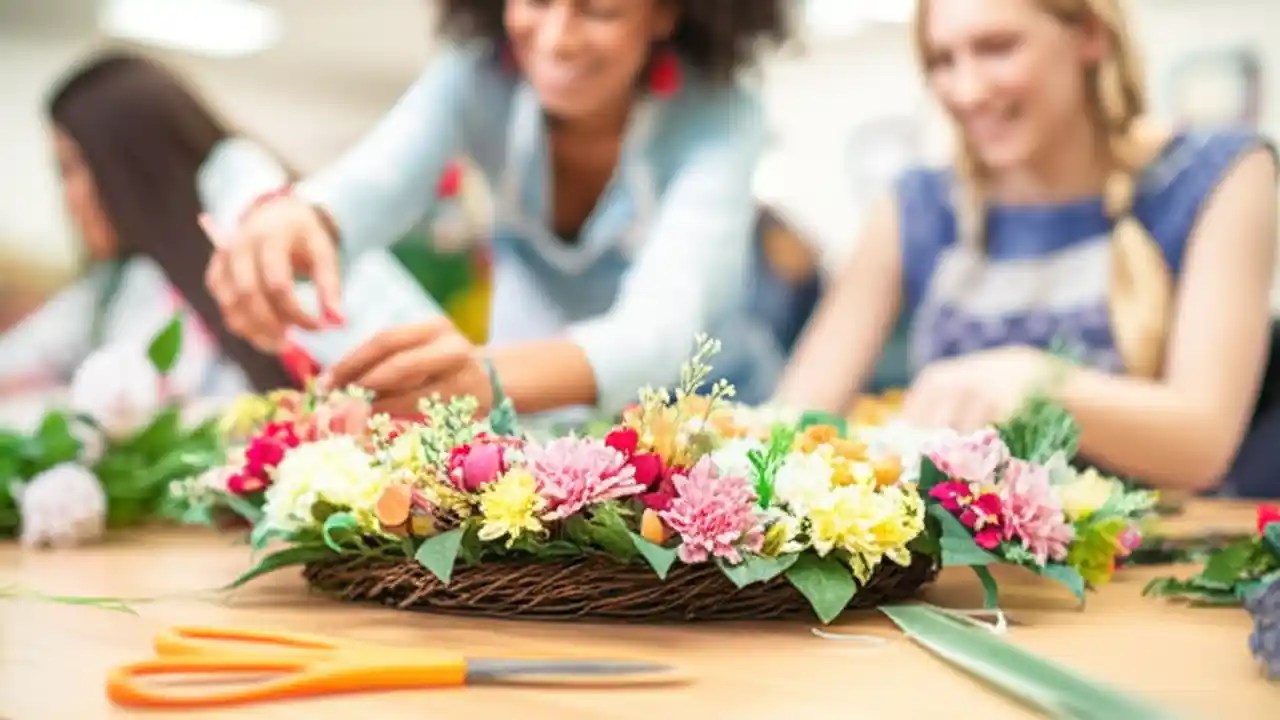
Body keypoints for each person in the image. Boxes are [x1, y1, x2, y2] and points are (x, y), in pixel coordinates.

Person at [775, 0, 1279, 494]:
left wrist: (1038, 382)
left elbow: (1202, 446)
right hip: (977, 574)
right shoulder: (916, 205)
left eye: (997, 47)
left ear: (1089, 33)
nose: (966, 90)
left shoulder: (1220, 176)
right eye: (942, 61)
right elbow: (791, 420)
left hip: (1169, 559)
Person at [205, 0, 790, 417]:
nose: (558, 38)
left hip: (705, 410)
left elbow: (661, 334)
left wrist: (482, 379)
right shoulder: (475, 77)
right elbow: (369, 186)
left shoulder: (721, 116)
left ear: (666, 11)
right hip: (531, 389)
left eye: (599, 11)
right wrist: (296, 222)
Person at [0, 52, 437, 397]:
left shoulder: (238, 197)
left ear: (124, 158)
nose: (68, 195)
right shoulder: (128, 284)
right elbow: (28, 351)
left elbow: (252, 188)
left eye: (71, 168)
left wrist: (262, 211)